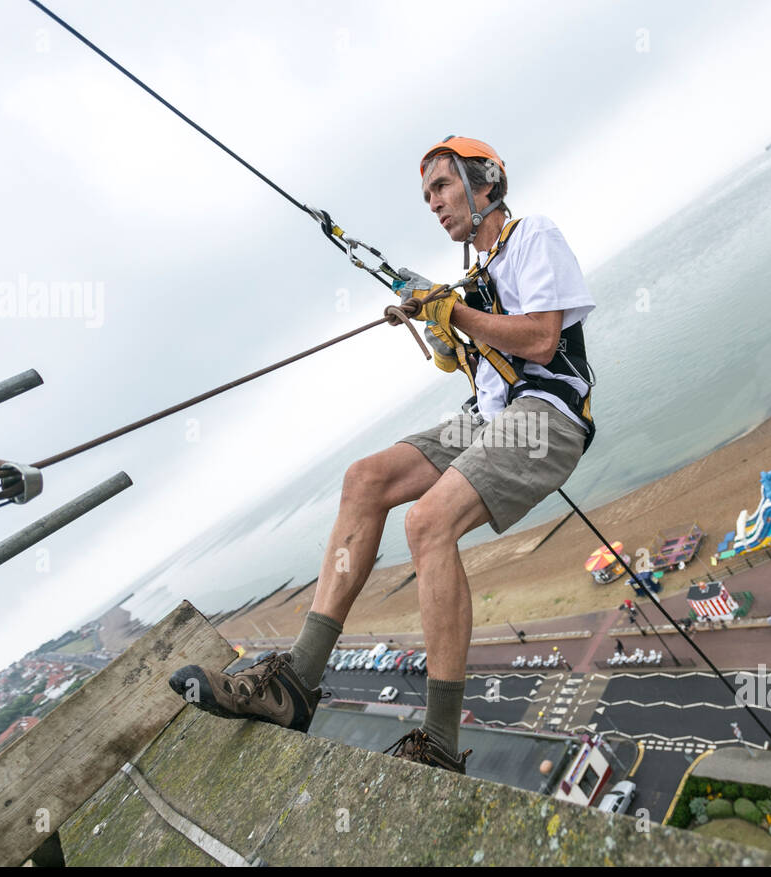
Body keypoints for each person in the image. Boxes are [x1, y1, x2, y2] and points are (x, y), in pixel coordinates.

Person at [168, 137, 596, 775]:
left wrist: (451, 310)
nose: (435, 204)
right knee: (364, 480)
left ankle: (441, 744)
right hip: (492, 418)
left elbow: (540, 338)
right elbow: (464, 362)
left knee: (426, 521)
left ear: (486, 182)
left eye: (443, 187)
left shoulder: (534, 235)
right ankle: (298, 683)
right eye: (427, 196)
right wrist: (439, 322)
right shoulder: (473, 283)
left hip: (549, 415)